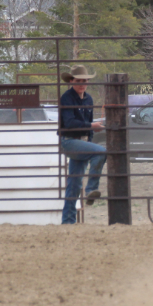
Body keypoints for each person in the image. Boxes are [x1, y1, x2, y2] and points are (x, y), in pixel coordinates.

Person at [59, 65, 106, 224]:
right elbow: (70, 123)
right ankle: (91, 189)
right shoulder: (66, 98)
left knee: (73, 184)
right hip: (70, 141)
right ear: (71, 81)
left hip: (81, 142)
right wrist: (91, 127)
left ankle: (68, 222)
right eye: (78, 81)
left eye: (84, 81)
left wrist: (91, 133)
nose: (82, 84)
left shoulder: (89, 99)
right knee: (101, 152)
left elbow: (86, 123)